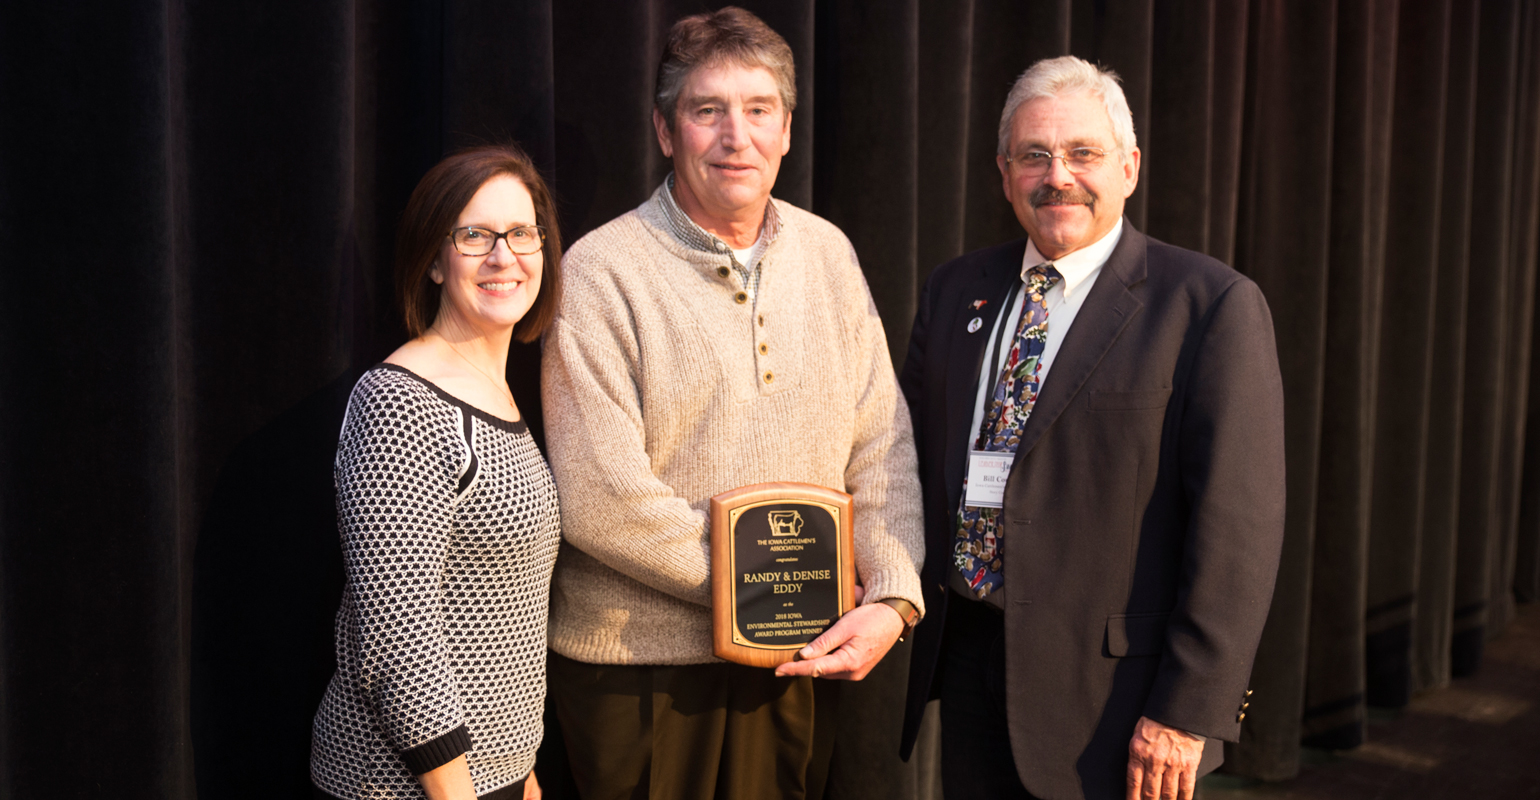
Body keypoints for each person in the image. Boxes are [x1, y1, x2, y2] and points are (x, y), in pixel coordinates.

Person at [539, 7, 925, 800]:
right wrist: (782, 589)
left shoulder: (830, 255)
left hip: (794, 662)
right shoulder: (600, 272)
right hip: (639, 671)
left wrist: (890, 594)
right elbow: (601, 496)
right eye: (706, 110)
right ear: (664, 129)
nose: (734, 135)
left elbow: (881, 441)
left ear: (786, 130)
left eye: (759, 111)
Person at [898, 56, 1287, 800]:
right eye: (1034, 156)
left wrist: (1187, 709)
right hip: (972, 661)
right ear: (1004, 170)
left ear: (1130, 166)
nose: (1058, 176)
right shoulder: (956, 291)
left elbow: (1239, 528)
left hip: (1118, 701)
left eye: (1083, 153)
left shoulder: (1207, 305)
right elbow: (908, 460)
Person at [310, 144, 563, 800]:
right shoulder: (401, 400)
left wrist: (523, 770)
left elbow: (499, 612)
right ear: (433, 259)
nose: (504, 255)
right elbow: (399, 629)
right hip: (403, 784)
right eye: (475, 235)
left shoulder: (499, 393)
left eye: (522, 232)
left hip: (496, 776)